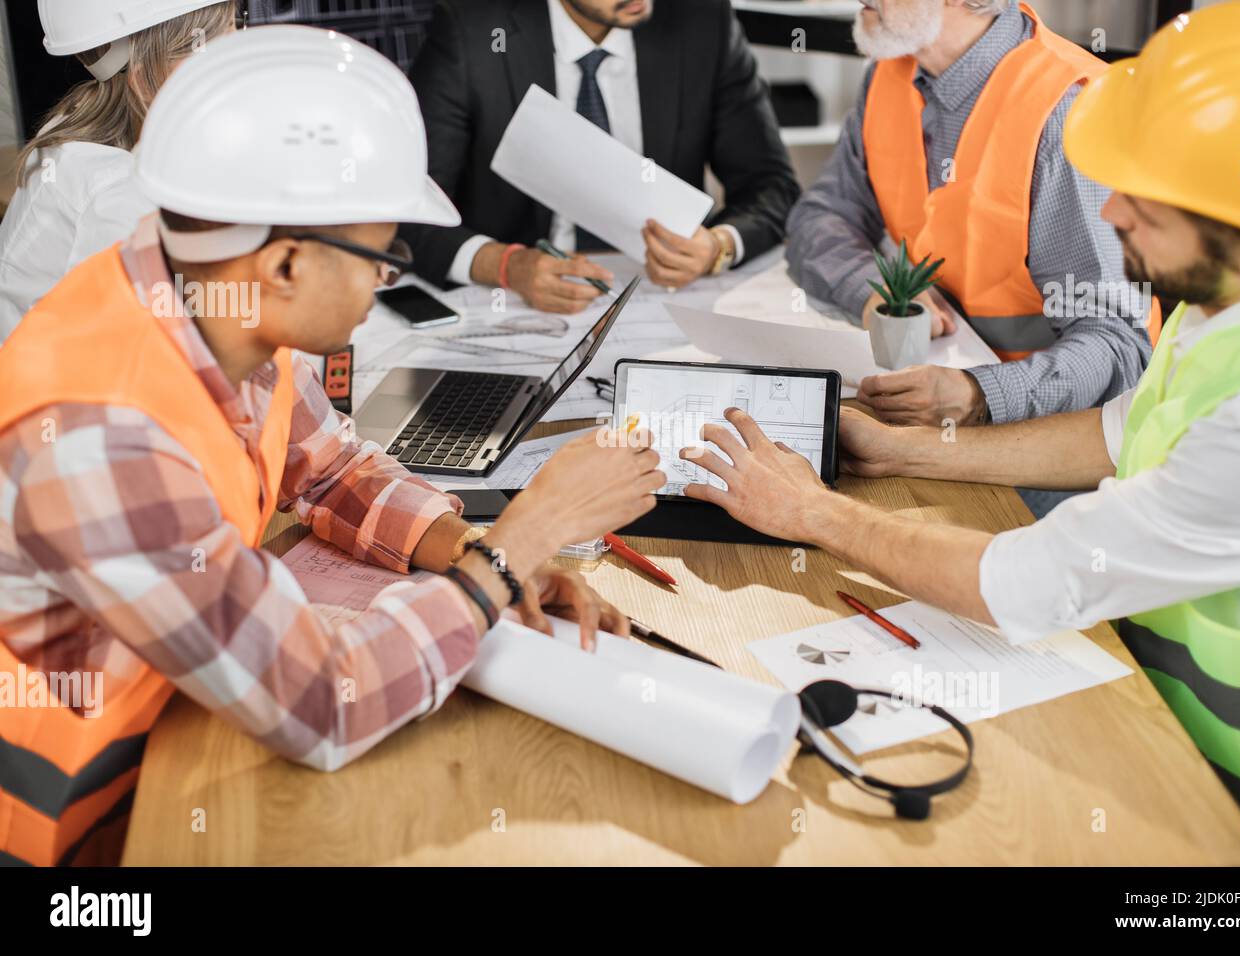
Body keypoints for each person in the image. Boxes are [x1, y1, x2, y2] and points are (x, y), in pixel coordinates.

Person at [0, 25, 666, 867]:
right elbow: (323, 698)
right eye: (379, 253)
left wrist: (466, 546)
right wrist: (514, 545)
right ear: (283, 265)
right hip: (76, 830)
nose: (390, 276)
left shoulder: (210, 297)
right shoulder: (102, 438)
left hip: (176, 729)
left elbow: (334, 467)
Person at [678, 0, 1240, 864]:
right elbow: (1109, 438)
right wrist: (910, 449)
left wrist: (815, 512)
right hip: (1140, 689)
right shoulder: (1236, 306)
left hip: (1236, 800)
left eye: (1148, 208)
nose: (1111, 209)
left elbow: (1024, 581)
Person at [785, 0, 1160, 432]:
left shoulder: (1068, 111)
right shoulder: (888, 74)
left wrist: (978, 394)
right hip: (921, 398)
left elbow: (1119, 348)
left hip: (1046, 431)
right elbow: (821, 215)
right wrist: (872, 290)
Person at [402, 0, 800, 313]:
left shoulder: (702, 20)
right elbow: (411, 206)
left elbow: (773, 186)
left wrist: (717, 247)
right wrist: (503, 265)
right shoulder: (473, 29)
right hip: (518, 304)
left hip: (665, 297)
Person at [0, 0, 239, 341]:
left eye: (234, 29)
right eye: (208, 49)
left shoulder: (80, 119)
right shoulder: (120, 200)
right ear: (142, 80)